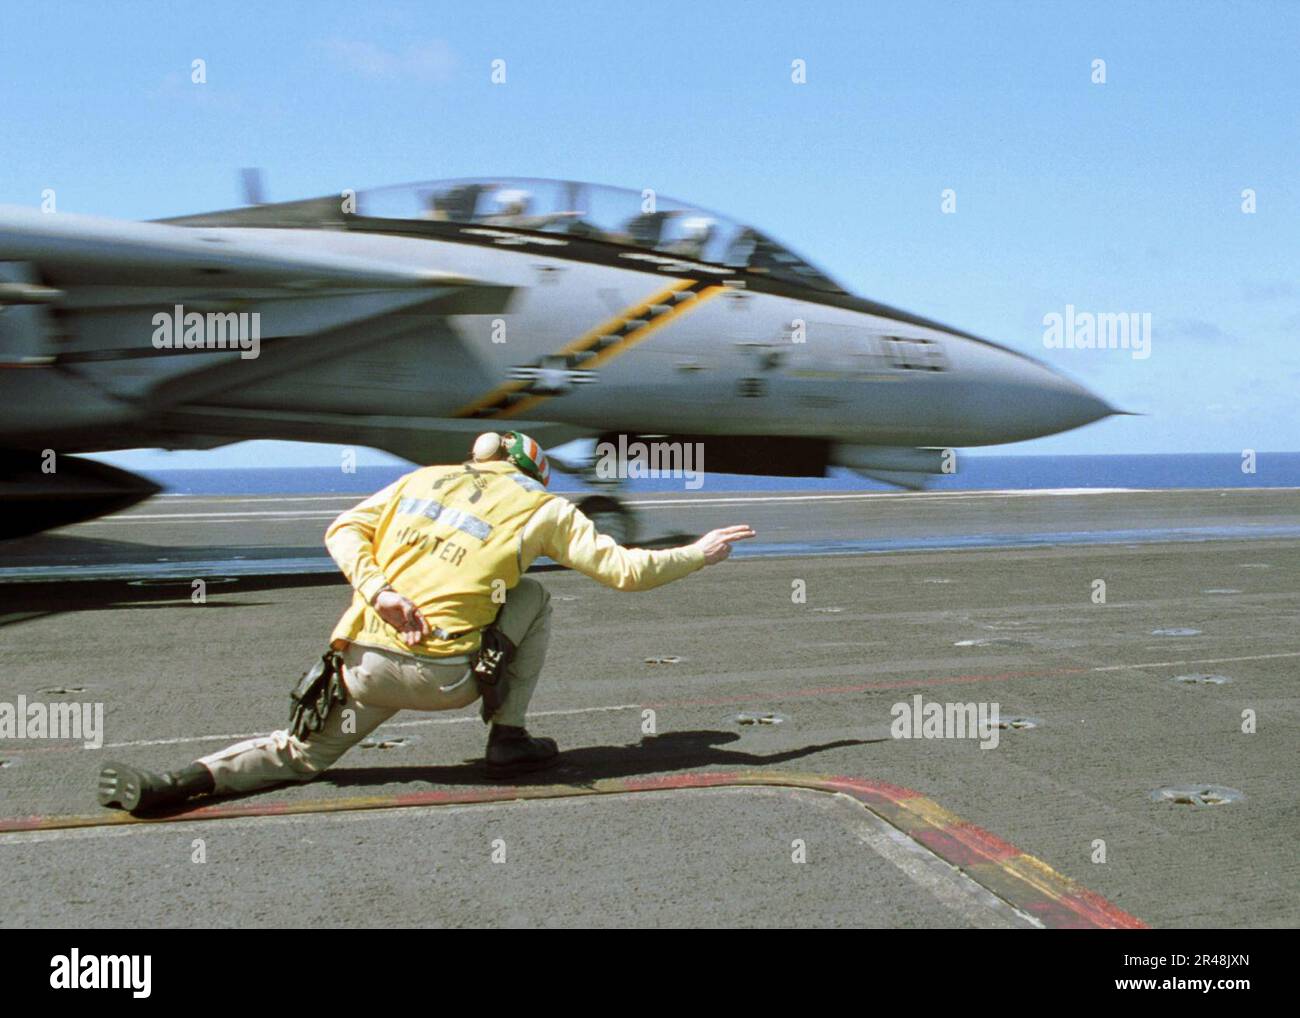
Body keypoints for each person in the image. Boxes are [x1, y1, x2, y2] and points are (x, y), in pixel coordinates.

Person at [97, 431, 755, 814]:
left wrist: (380, 590)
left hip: (363, 669)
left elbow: (342, 528)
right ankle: (508, 738)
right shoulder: (543, 505)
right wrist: (702, 551)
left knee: (298, 757)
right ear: (531, 468)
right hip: (445, 677)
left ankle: (177, 782)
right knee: (533, 596)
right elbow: (625, 572)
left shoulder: (421, 480)